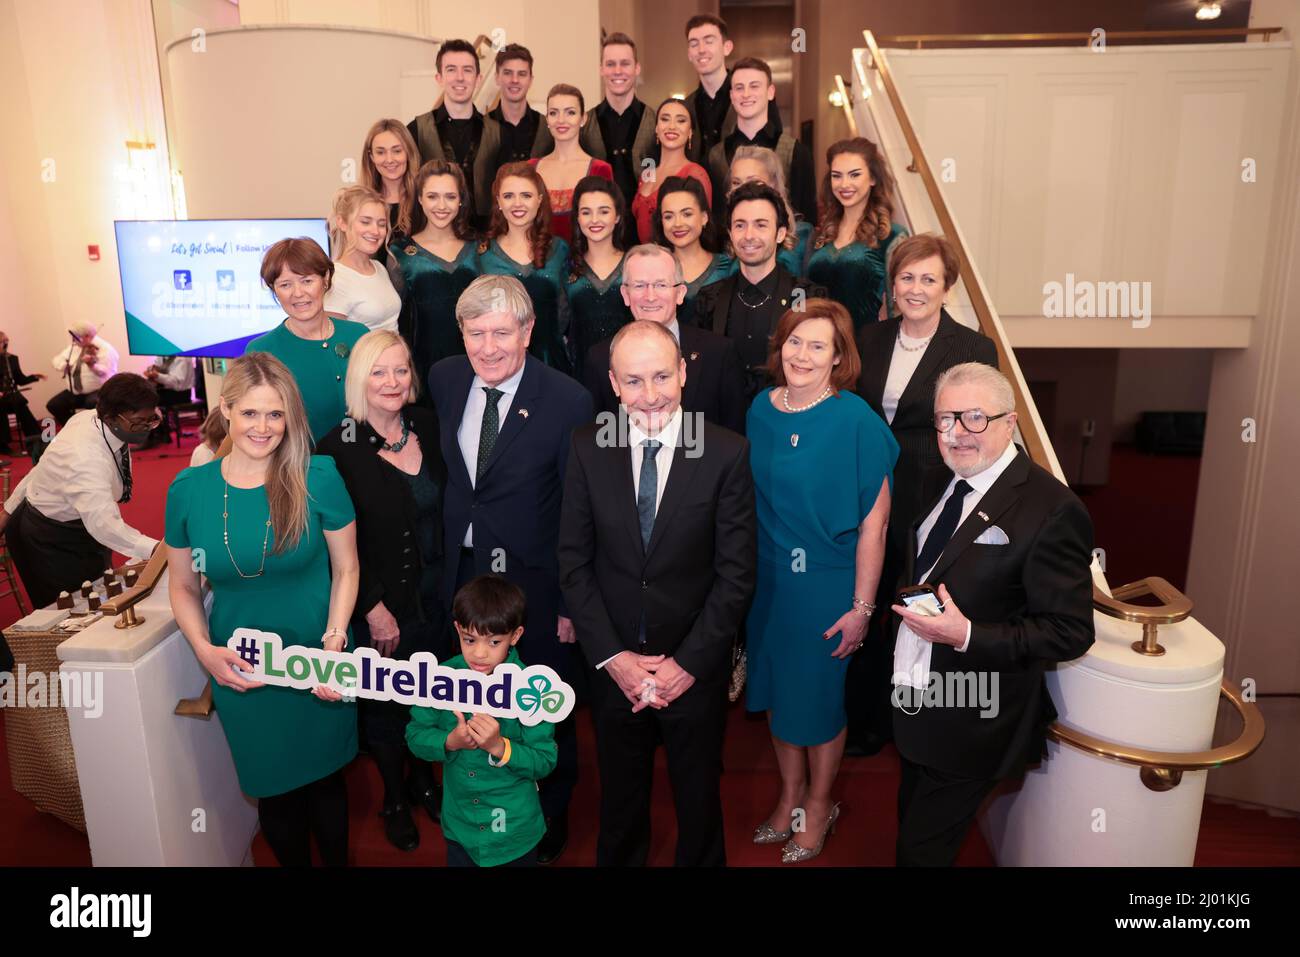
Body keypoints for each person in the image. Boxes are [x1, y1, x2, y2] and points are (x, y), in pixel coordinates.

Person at [558, 320, 756, 866]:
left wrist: (687, 664)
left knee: (698, 802)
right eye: (635, 381)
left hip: (693, 669)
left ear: (684, 373)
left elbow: (736, 575)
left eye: (662, 377)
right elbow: (573, 564)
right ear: (614, 385)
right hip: (614, 665)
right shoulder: (586, 446)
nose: (651, 396)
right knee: (620, 804)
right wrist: (615, 660)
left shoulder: (726, 452)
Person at [890, 362, 1095, 866]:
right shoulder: (945, 478)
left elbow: (1068, 631)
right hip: (916, 696)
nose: (957, 433)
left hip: (972, 717)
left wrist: (965, 635)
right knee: (909, 827)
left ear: (1011, 421)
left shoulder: (1052, 509)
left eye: (975, 417)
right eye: (945, 419)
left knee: (918, 853)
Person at [165, 352, 360, 867]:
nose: (263, 427)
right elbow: (183, 586)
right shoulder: (189, 491)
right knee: (274, 792)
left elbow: (347, 569)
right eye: (250, 413)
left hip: (319, 652)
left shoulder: (318, 476)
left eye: (276, 414)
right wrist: (204, 651)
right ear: (225, 410)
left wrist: (335, 642)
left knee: (325, 786)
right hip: (244, 665)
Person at [426, 275, 593, 863]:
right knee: (462, 694)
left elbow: (580, 508)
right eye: (476, 333)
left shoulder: (568, 398)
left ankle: (549, 813)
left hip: (535, 585)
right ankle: (468, 801)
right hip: (464, 573)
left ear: (528, 331)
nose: (489, 347)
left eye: (502, 332)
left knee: (541, 703)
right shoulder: (445, 379)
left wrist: (573, 603)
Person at [745, 300, 896, 862]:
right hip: (768, 584)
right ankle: (787, 800)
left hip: (828, 587)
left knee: (819, 705)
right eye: (794, 342)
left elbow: (874, 525)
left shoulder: (858, 421)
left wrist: (862, 607)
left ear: (838, 358)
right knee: (781, 701)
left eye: (817, 346)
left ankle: (820, 801)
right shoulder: (761, 409)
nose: (802, 355)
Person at [850, 233, 997, 756]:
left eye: (928, 279)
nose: (916, 288)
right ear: (892, 284)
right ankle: (865, 718)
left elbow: (978, 429)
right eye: (907, 277)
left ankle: (910, 717)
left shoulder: (973, 348)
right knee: (866, 595)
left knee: (915, 601)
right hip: (867, 488)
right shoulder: (867, 337)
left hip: (929, 496)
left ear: (946, 286)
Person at [317, 330, 446, 852]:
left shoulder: (430, 425)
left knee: (432, 695)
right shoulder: (336, 448)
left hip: (440, 594)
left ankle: (424, 780)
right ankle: (394, 796)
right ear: (358, 380)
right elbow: (338, 545)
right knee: (388, 706)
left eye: (400, 370)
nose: (392, 382)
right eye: (379, 372)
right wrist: (372, 608)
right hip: (383, 605)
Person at [406, 575, 557, 867]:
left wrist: (500, 747)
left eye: (494, 641)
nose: (479, 653)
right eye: (469, 639)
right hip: (460, 826)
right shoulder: (440, 677)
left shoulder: (533, 688)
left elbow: (545, 760)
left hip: (515, 833)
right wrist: (450, 741)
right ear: (457, 630)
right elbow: (415, 736)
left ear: (515, 636)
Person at [0, 373, 160, 607]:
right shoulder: (84, 457)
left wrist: (6, 510)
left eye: (153, 419)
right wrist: (159, 550)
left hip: (78, 524)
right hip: (48, 539)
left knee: (99, 592)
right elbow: (104, 524)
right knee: (70, 614)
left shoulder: (90, 420)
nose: (147, 428)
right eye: (139, 422)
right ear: (110, 417)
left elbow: (43, 466)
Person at [584, 244, 745, 435]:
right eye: (639, 285)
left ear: (680, 293)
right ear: (625, 295)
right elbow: (599, 440)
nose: (650, 297)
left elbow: (733, 438)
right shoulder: (600, 358)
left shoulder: (719, 353)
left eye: (661, 285)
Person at [694, 181, 826, 403]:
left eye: (761, 225)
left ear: (780, 233)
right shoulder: (710, 299)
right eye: (740, 225)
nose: (748, 235)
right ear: (730, 233)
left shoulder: (809, 296)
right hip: (727, 428)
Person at [244, 238, 369, 443]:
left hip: (365, 459)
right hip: (302, 468)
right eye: (285, 285)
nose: (298, 293)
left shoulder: (359, 336)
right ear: (274, 290)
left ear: (325, 278)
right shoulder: (262, 352)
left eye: (307, 281)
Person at [392, 161, 480, 397]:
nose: (441, 206)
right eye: (432, 196)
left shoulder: (479, 248)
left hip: (479, 367)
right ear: (420, 199)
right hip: (423, 373)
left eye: (450, 197)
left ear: (461, 200)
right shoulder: (400, 253)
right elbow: (395, 321)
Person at [543, 32, 655, 213]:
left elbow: (657, 172)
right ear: (601, 69)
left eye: (625, 63)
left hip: (641, 227)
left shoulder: (655, 122)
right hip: (594, 227)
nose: (617, 71)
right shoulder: (582, 124)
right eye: (610, 64)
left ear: (637, 68)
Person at [477, 162, 572, 375]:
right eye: (509, 196)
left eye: (526, 196)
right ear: (498, 202)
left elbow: (566, 310)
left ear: (539, 200)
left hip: (551, 362)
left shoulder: (559, 249)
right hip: (499, 363)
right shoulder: (482, 254)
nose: (517, 203)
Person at [807, 137, 909, 332]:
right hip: (820, 347)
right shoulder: (821, 234)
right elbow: (803, 291)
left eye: (854, 175)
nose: (844, 184)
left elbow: (898, 308)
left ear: (872, 178)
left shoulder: (891, 236)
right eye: (837, 176)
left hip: (867, 349)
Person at [705, 57, 815, 227]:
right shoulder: (715, 155)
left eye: (754, 86)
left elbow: (807, 220)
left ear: (770, 92)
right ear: (732, 96)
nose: (746, 94)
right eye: (739, 88)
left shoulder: (796, 152)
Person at [408, 39, 503, 230]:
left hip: (484, 239)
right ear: (439, 78)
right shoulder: (416, 129)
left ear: (478, 79)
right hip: (433, 239)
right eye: (451, 69)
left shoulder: (498, 132)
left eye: (467, 70)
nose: (460, 77)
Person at [682, 14, 782, 165]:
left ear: (727, 48)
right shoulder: (686, 106)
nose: (701, 50)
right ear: (689, 54)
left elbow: (776, 146)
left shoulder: (752, 97)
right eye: (694, 44)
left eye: (709, 41)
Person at [529, 84, 614, 244]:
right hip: (538, 262)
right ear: (547, 119)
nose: (561, 120)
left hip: (584, 262)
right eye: (554, 113)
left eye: (570, 112)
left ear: (583, 119)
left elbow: (607, 227)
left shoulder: (600, 169)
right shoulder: (531, 168)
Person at [566, 177, 632, 383]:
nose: (595, 220)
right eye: (586, 212)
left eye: (604, 211)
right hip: (580, 374)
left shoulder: (634, 264)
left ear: (618, 216)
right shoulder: (566, 266)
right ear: (577, 217)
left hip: (631, 371)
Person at [630, 97, 712, 243]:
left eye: (681, 121)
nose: (672, 126)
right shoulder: (647, 174)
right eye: (665, 119)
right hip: (645, 260)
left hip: (678, 261)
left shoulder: (695, 173)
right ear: (656, 128)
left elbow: (702, 229)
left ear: (690, 132)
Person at [652, 175, 735, 319]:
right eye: (668, 216)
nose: (677, 223)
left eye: (687, 214)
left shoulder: (727, 267)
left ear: (704, 217)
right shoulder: (652, 270)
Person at [325, 185, 401, 333]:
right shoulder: (336, 278)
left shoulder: (379, 267)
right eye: (365, 222)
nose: (375, 231)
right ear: (342, 223)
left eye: (381, 224)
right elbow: (336, 344)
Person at [728, 145, 811, 276]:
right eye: (736, 182)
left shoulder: (803, 235)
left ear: (774, 184)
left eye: (754, 181)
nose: (743, 189)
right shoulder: (730, 234)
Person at [361, 118, 421, 250]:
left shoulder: (423, 199)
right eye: (381, 152)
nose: (389, 159)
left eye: (397, 151)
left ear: (408, 153)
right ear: (371, 157)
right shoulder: (360, 204)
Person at [48, 321, 119, 428]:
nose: (73, 341)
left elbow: (107, 372)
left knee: (91, 404)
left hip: (99, 390)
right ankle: (73, 428)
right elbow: (56, 361)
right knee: (54, 405)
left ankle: (97, 433)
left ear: (87, 336)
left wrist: (92, 366)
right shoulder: (75, 346)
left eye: (76, 337)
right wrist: (64, 365)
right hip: (76, 391)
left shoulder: (105, 349)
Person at [489, 44, 547, 165]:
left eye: (522, 74)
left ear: (530, 80)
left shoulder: (546, 128)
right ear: (497, 78)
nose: (515, 80)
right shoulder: (482, 127)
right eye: (508, 73)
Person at [0, 331, 47, 453]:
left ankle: (36, 438)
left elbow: (20, 380)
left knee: (20, 403)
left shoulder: (12, 359)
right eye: (1, 342)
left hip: (10, 396)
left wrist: (35, 377)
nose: (5, 344)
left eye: (6, 341)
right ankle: (3, 444)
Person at [141, 355, 196, 448]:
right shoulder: (163, 356)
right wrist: (153, 370)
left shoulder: (182, 358)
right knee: (143, 396)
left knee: (146, 400)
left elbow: (176, 382)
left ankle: (152, 436)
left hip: (181, 394)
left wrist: (157, 375)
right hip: (168, 391)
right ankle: (160, 433)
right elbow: (157, 365)